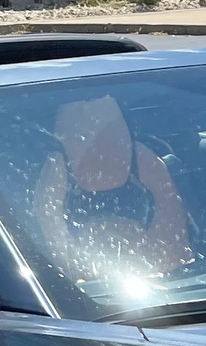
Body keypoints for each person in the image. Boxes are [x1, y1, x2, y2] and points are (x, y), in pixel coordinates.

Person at [31, 92, 194, 289]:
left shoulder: (143, 158)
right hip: (90, 287)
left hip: (147, 279)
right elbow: (52, 232)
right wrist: (78, 276)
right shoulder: (57, 167)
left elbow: (173, 228)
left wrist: (156, 266)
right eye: (81, 108)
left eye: (96, 103)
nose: (90, 117)